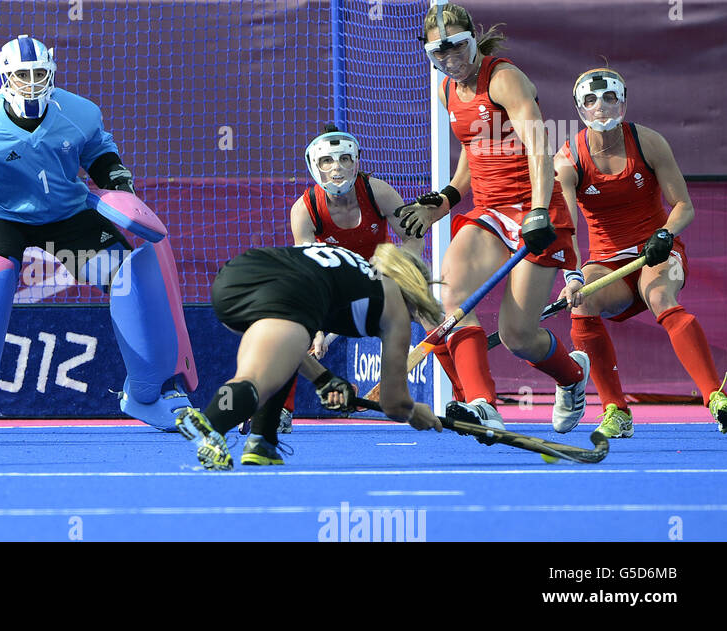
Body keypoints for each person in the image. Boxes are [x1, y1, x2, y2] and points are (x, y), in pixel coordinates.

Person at [0, 35, 197, 433]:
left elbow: (100, 152)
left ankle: (150, 393)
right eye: (22, 75)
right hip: (1, 218)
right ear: (3, 79)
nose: (31, 82)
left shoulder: (79, 112)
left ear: (51, 75)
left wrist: (118, 186)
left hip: (67, 215)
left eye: (39, 73)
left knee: (128, 276)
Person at [395, 3, 589, 433]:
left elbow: (539, 146)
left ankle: (573, 376)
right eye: (438, 54)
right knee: (451, 297)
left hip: (536, 206)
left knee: (519, 335)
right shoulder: (446, 89)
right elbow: (472, 146)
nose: (450, 60)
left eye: (458, 48)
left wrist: (540, 211)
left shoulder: (503, 78)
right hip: (489, 211)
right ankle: (483, 404)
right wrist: (443, 200)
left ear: (473, 38)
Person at [556, 67, 727, 436]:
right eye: (590, 100)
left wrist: (665, 233)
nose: (600, 106)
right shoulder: (568, 159)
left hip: (658, 251)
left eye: (609, 98)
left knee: (660, 295)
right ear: (579, 108)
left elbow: (684, 206)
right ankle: (615, 410)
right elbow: (566, 227)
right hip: (606, 264)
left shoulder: (648, 142)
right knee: (582, 300)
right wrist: (572, 276)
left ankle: (716, 398)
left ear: (623, 102)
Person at [177, 243, 443, 469]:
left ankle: (262, 441)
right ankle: (210, 423)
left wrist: (324, 379)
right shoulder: (393, 300)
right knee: (254, 379)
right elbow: (393, 403)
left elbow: (290, 347)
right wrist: (414, 412)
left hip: (233, 280)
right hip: (289, 291)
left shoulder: (354, 266)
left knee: (280, 358)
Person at [269, 124, 455, 431]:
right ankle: (280, 411)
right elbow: (310, 271)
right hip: (333, 289)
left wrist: (395, 267)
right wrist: (316, 326)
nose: (337, 168)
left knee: (429, 314)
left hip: (381, 281)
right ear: (314, 167)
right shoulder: (304, 210)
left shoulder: (377, 191)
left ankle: (467, 401)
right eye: (327, 161)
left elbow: (414, 238)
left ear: (357, 161)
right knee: (294, 329)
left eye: (345, 159)